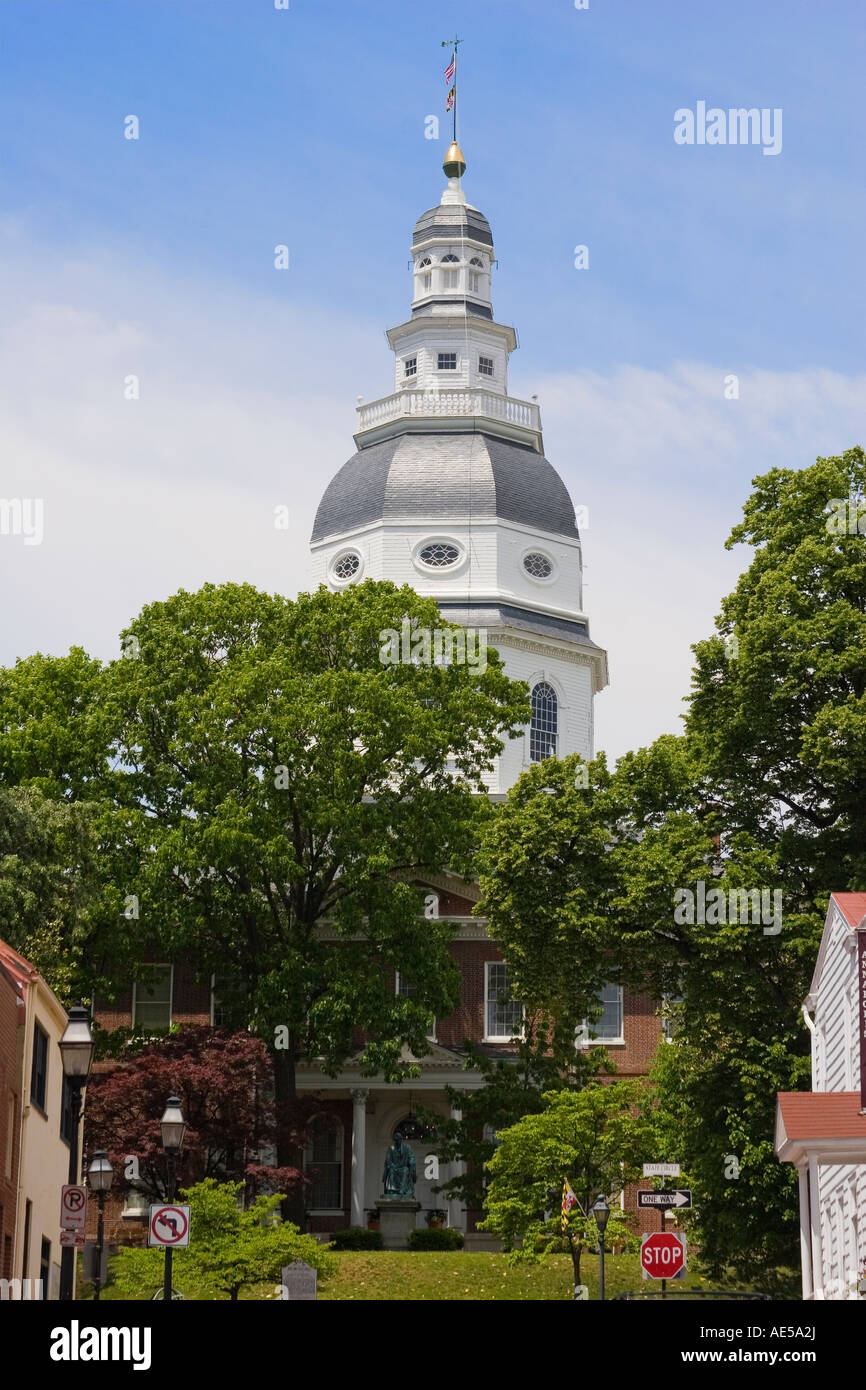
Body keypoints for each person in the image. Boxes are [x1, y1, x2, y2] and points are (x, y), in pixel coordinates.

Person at [382, 1129, 417, 1197]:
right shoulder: (391, 1148)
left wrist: (411, 1162)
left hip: (403, 1167)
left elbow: (411, 1157)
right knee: (391, 1171)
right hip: (394, 1167)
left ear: (401, 1139)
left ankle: (402, 1190)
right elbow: (388, 1160)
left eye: (399, 1139)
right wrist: (392, 1166)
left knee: (405, 1170)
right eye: (396, 1139)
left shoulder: (407, 1147)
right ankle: (392, 1190)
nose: (397, 1141)